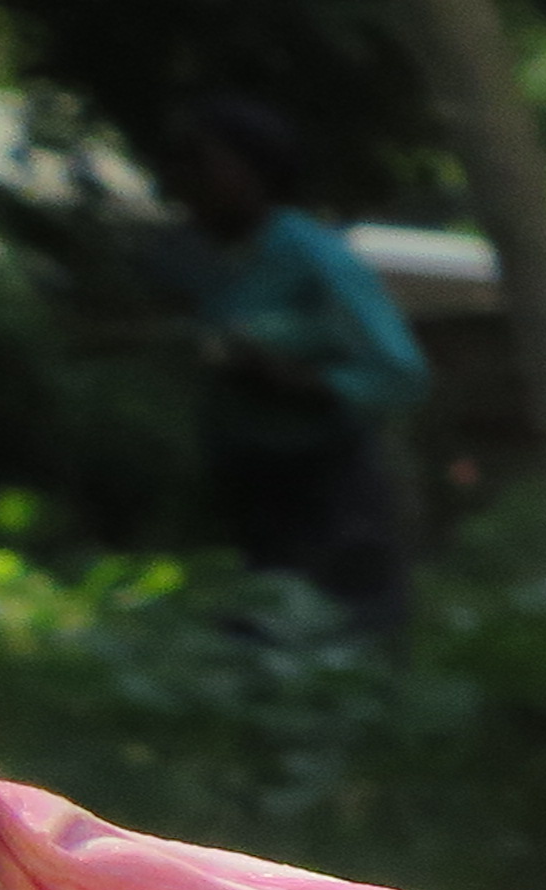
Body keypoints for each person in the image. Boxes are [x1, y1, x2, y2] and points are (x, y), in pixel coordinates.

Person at [161, 95, 426, 641]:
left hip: (331, 488)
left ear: (255, 170)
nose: (186, 182)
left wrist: (302, 384)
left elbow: (400, 372)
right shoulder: (208, 261)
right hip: (253, 487)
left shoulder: (312, 255)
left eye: (202, 164)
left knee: (347, 634)